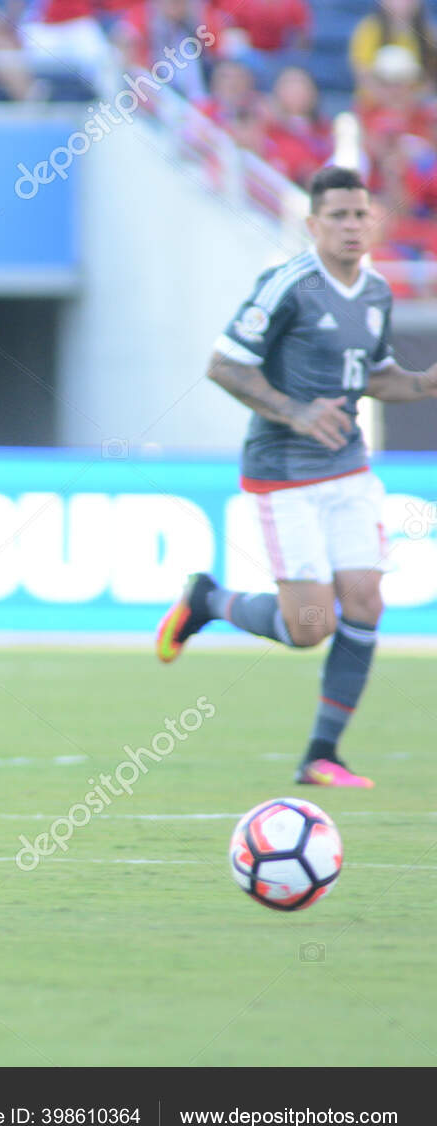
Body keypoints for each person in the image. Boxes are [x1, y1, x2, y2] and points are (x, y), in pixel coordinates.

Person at [157, 166, 437, 789]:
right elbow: (224, 364)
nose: (350, 225)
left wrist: (425, 382)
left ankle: (322, 755)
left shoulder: (376, 293)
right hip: (284, 474)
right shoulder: (288, 285)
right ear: (312, 225)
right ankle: (208, 601)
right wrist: (295, 411)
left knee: (365, 600)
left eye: (360, 214)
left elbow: (377, 375)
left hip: (349, 469)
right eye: (336, 215)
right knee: (311, 628)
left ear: (374, 221)